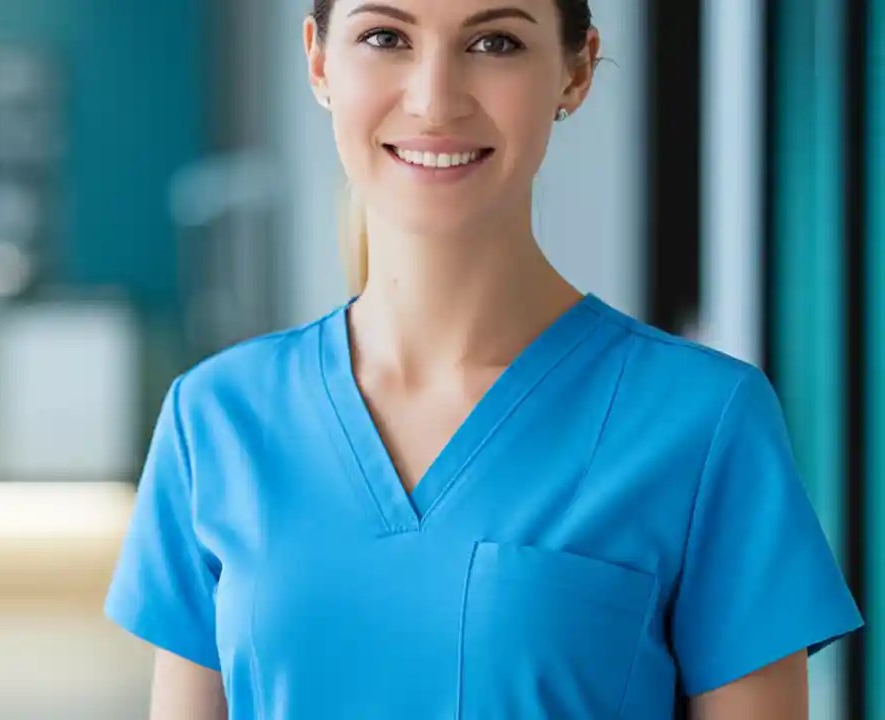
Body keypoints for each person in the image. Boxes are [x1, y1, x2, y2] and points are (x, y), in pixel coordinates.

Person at [103, 0, 865, 717]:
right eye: (386, 37)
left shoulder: (702, 425)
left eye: (494, 42)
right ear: (319, 62)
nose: (436, 100)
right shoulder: (218, 419)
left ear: (576, 71)